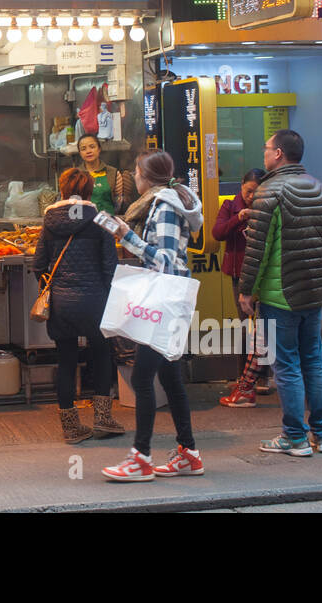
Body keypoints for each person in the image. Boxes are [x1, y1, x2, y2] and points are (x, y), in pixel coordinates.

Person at [102, 150, 204, 482]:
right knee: (171, 379)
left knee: (143, 378)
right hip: (169, 304)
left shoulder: (165, 208)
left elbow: (168, 262)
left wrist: (127, 238)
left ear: (147, 176)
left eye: (136, 171)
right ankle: (188, 453)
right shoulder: (165, 203)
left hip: (165, 305)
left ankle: (141, 459)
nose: (133, 175)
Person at [240, 129, 322, 458]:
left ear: (278, 154)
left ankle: (295, 437)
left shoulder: (270, 191)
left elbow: (258, 249)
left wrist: (247, 290)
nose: (264, 153)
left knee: (286, 364)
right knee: (314, 361)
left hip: (279, 294)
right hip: (313, 292)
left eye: (267, 148)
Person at [33, 168, 123, 444]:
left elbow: (38, 265)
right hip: (95, 301)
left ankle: (71, 427)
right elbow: (111, 267)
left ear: (62, 190)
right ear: (88, 191)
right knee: (101, 355)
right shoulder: (101, 220)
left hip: (61, 303)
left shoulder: (50, 220)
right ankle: (103, 420)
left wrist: (55, 285)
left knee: (67, 360)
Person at [214, 168, 270, 408]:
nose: (251, 197)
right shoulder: (229, 206)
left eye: (256, 193)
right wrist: (239, 218)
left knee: (265, 328)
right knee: (245, 326)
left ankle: (263, 377)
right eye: (249, 191)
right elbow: (217, 232)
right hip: (239, 275)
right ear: (241, 186)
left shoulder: (267, 208)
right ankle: (242, 378)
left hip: (263, 274)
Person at [75, 135, 131, 216]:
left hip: (107, 223)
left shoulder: (113, 173)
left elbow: (118, 201)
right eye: (83, 149)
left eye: (92, 147)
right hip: (83, 223)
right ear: (80, 153)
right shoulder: (75, 175)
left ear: (99, 149)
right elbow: (73, 204)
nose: (88, 151)